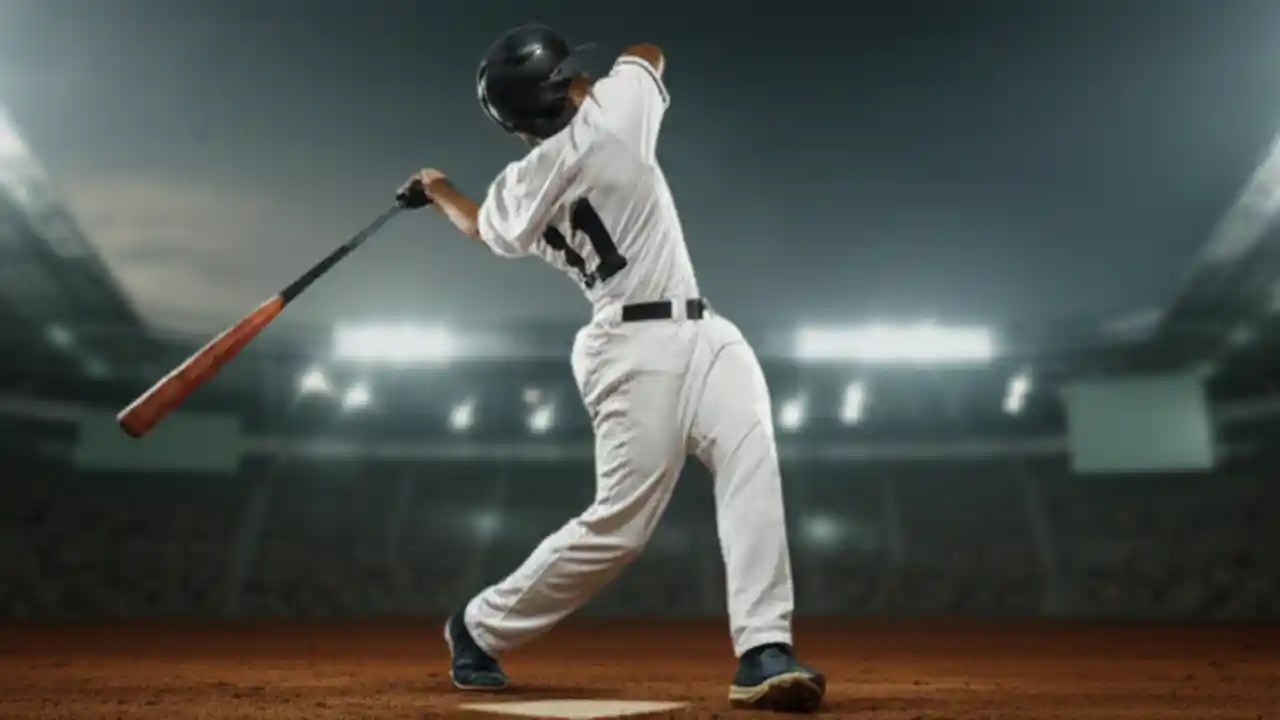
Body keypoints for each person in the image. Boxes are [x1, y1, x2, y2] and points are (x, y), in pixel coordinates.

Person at [398, 23, 825, 713]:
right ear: (557, 95)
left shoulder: (517, 187)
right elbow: (650, 51)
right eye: (567, 75)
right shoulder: (613, 116)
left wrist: (439, 186)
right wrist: (592, 79)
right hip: (633, 349)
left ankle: (762, 648)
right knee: (621, 526)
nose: (579, 79)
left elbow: (482, 228)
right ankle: (476, 625)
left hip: (702, 332)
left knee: (753, 460)